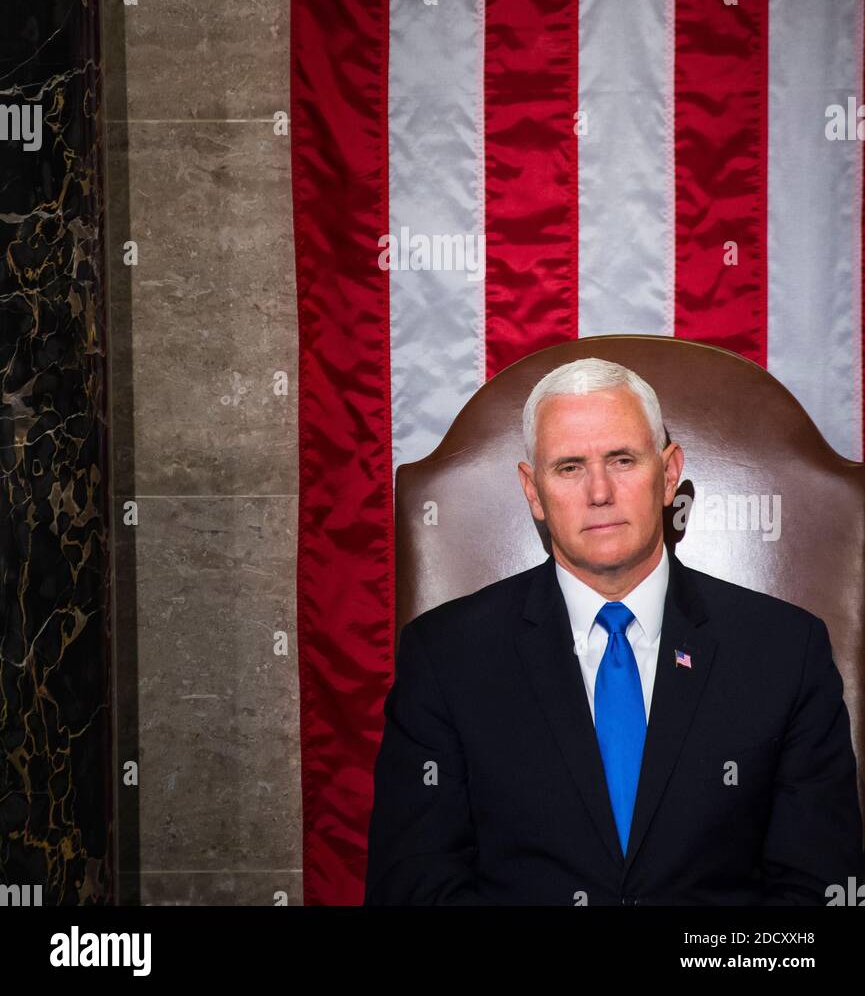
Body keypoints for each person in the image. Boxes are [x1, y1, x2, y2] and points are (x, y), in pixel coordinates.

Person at [364, 358, 865, 906]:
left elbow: (819, 893)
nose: (599, 492)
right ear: (533, 491)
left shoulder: (783, 651)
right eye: (570, 467)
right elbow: (413, 890)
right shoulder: (445, 657)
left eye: (622, 459)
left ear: (669, 473)